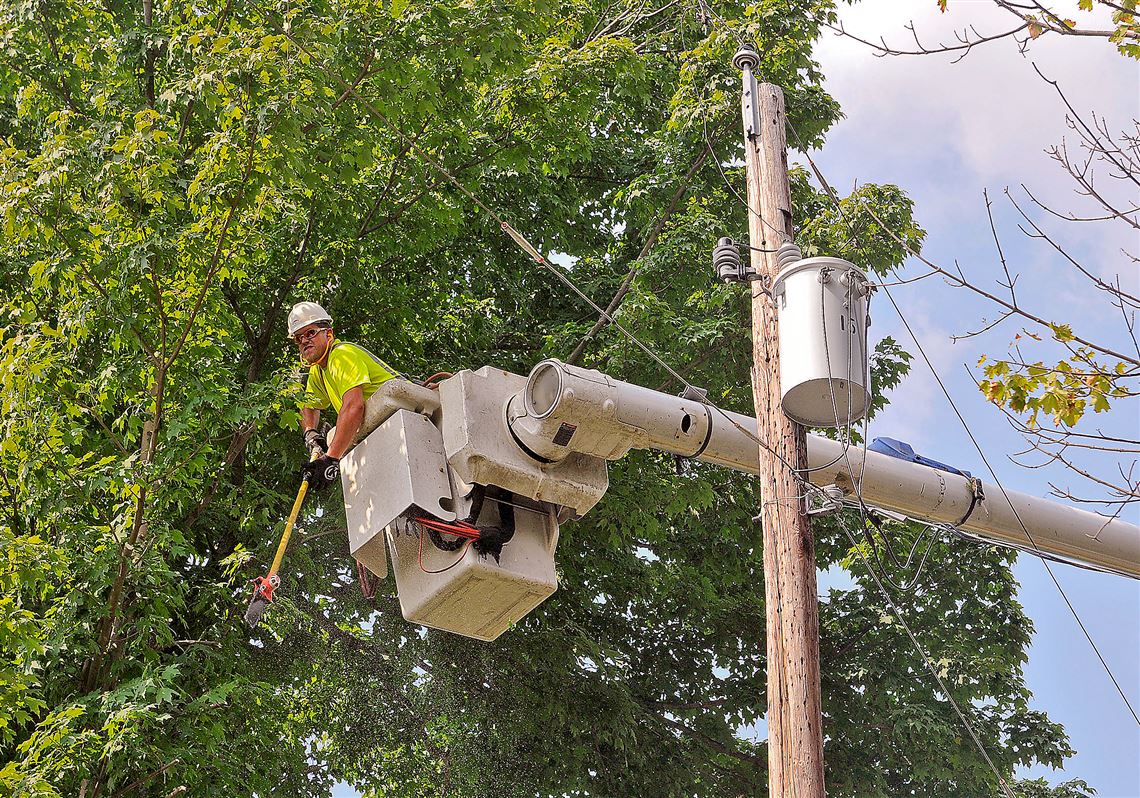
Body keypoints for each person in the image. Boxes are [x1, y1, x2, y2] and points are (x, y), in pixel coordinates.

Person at [288, 301, 399, 491]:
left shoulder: (341, 355)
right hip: (383, 432)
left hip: (399, 419)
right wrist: (310, 433)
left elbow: (354, 407)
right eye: (299, 338)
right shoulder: (319, 371)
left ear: (328, 333)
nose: (304, 341)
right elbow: (309, 405)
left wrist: (331, 458)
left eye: (310, 333)